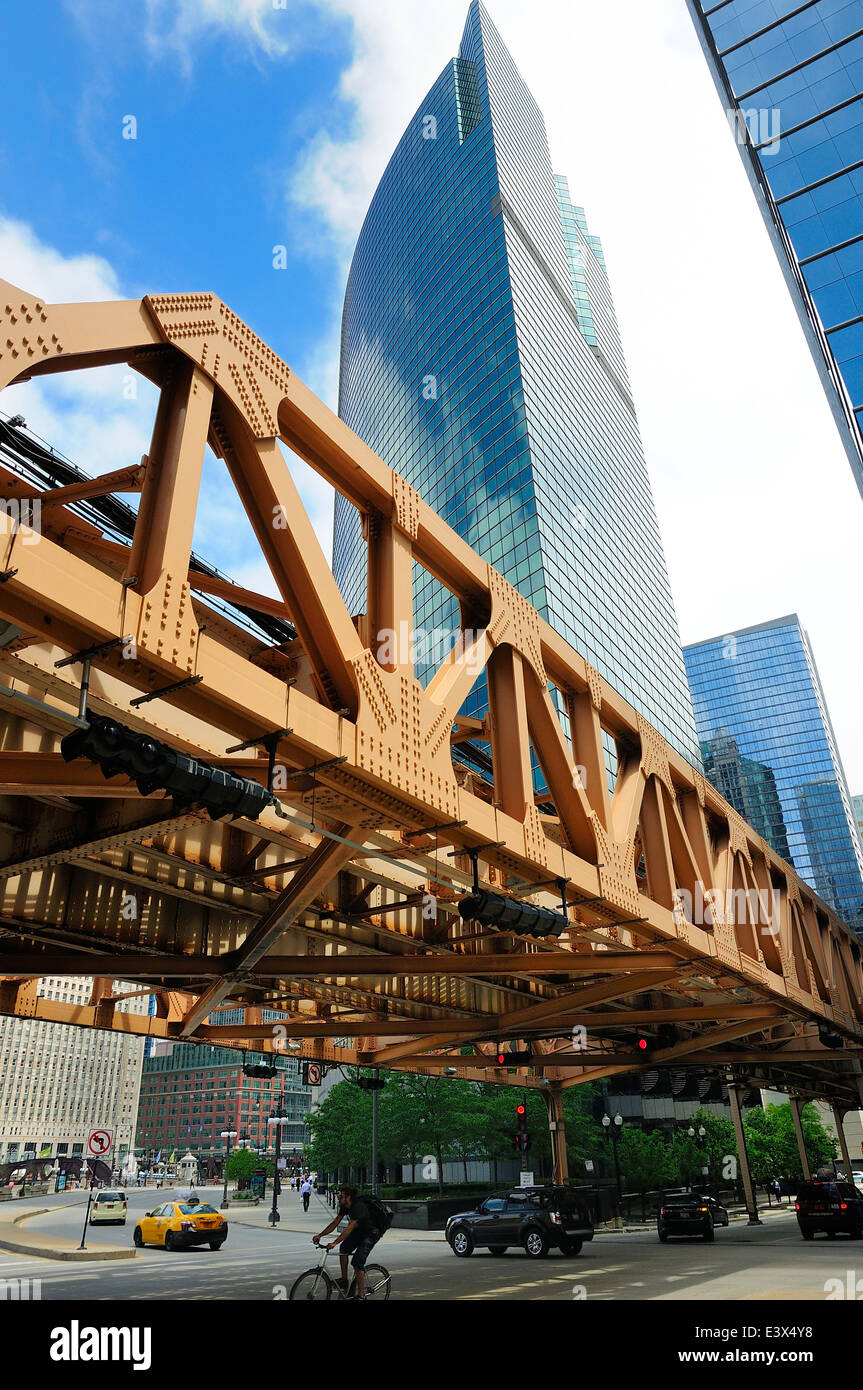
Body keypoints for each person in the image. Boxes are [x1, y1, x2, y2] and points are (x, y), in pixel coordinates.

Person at [313, 1186, 385, 1300]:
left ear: (348, 1197)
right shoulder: (345, 1206)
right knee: (344, 1249)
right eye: (338, 1196)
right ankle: (344, 1280)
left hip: (371, 1234)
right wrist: (320, 1235)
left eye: (340, 1196)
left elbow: (349, 1228)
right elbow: (335, 1223)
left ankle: (361, 1295)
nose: (338, 1199)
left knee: (357, 1262)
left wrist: (334, 1243)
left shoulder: (358, 1207)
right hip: (360, 1231)